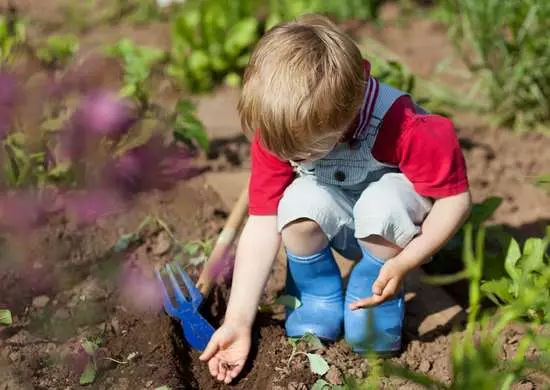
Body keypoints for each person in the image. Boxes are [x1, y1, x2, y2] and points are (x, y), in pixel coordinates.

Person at [199, 14, 472, 384]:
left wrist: (406, 262)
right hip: (341, 214)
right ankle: (317, 297)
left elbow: (455, 200)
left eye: (309, 151)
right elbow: (262, 222)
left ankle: (374, 292)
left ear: (351, 107)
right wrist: (237, 320)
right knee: (295, 204)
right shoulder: (281, 129)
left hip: (394, 231)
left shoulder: (405, 127)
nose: (299, 160)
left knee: (383, 204)